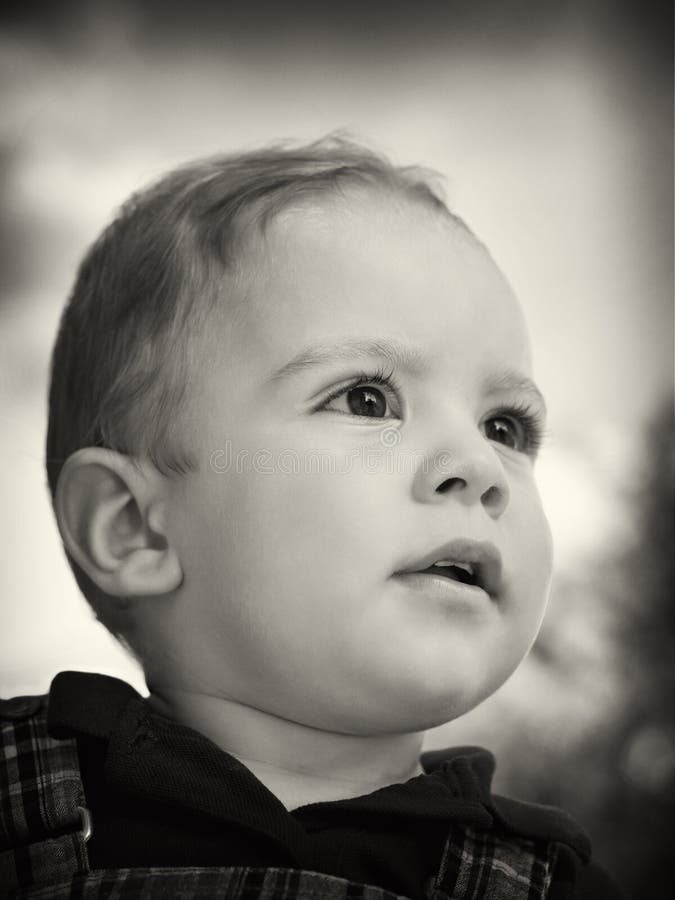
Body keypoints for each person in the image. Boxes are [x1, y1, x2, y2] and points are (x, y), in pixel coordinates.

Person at [0, 137, 624, 898]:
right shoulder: (19, 811)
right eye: (367, 399)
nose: (479, 465)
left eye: (504, 426)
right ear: (134, 526)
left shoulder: (553, 886)